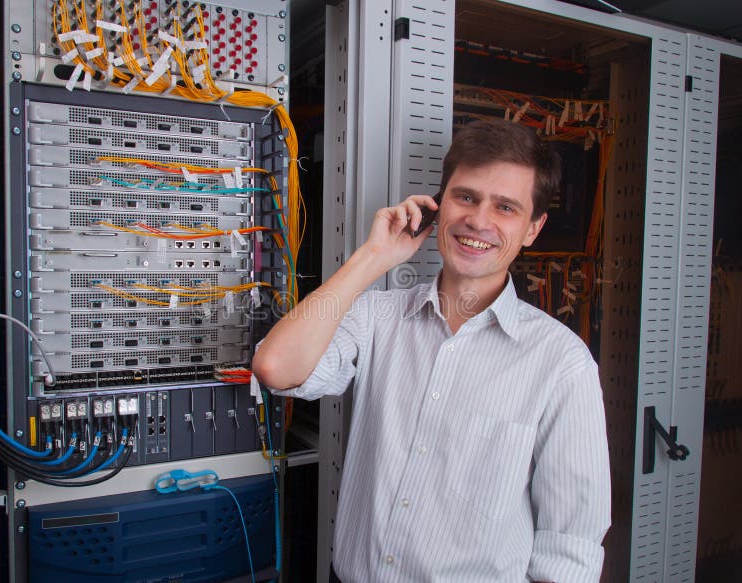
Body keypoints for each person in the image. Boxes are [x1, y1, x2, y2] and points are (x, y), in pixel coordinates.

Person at [252, 119, 611, 582]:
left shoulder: (562, 363)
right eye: (466, 197)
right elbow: (275, 367)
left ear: (532, 229)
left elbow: (570, 545)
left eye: (505, 207)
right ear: (439, 206)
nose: (479, 221)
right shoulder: (378, 317)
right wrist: (373, 259)